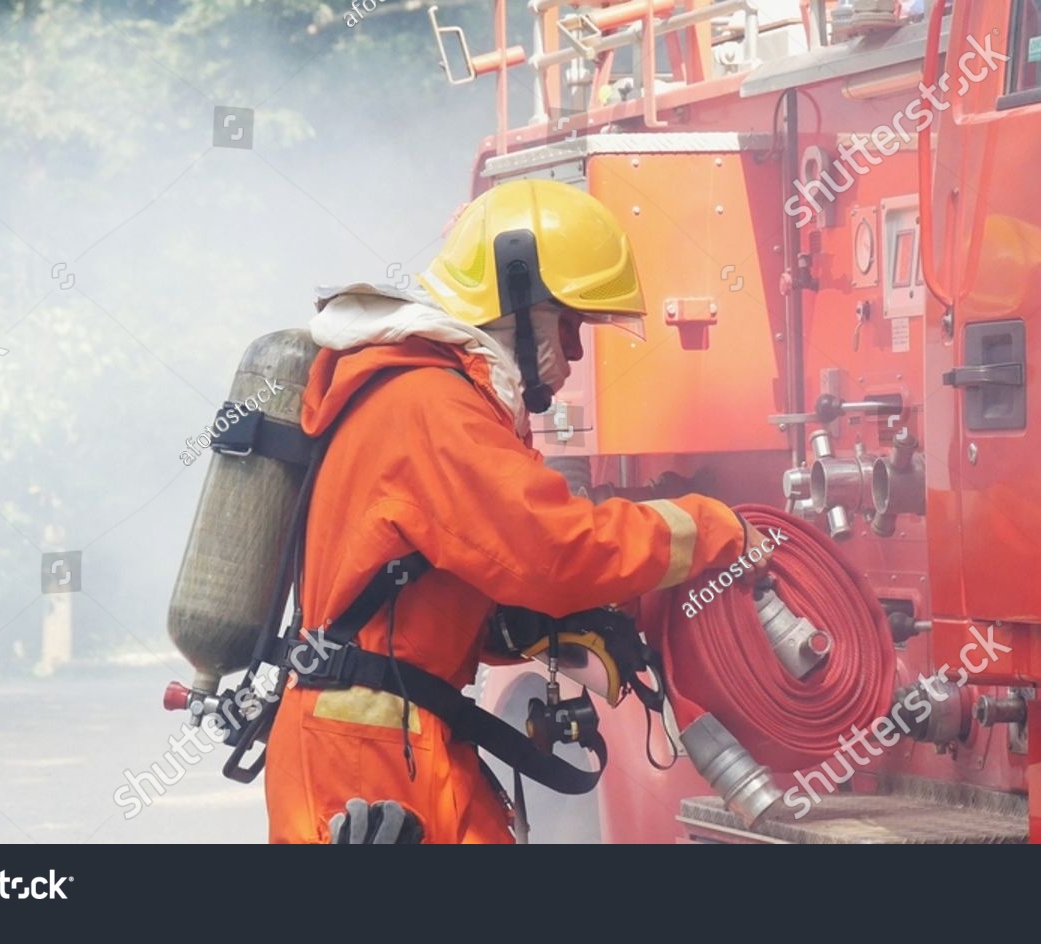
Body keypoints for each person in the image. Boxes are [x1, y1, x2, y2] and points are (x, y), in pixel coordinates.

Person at [264, 179, 768, 843]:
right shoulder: (430, 405)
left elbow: (440, 587)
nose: (577, 355)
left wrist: (526, 626)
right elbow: (552, 550)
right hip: (371, 761)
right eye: (570, 326)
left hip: (389, 740)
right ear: (519, 307)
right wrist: (707, 527)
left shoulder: (419, 391)